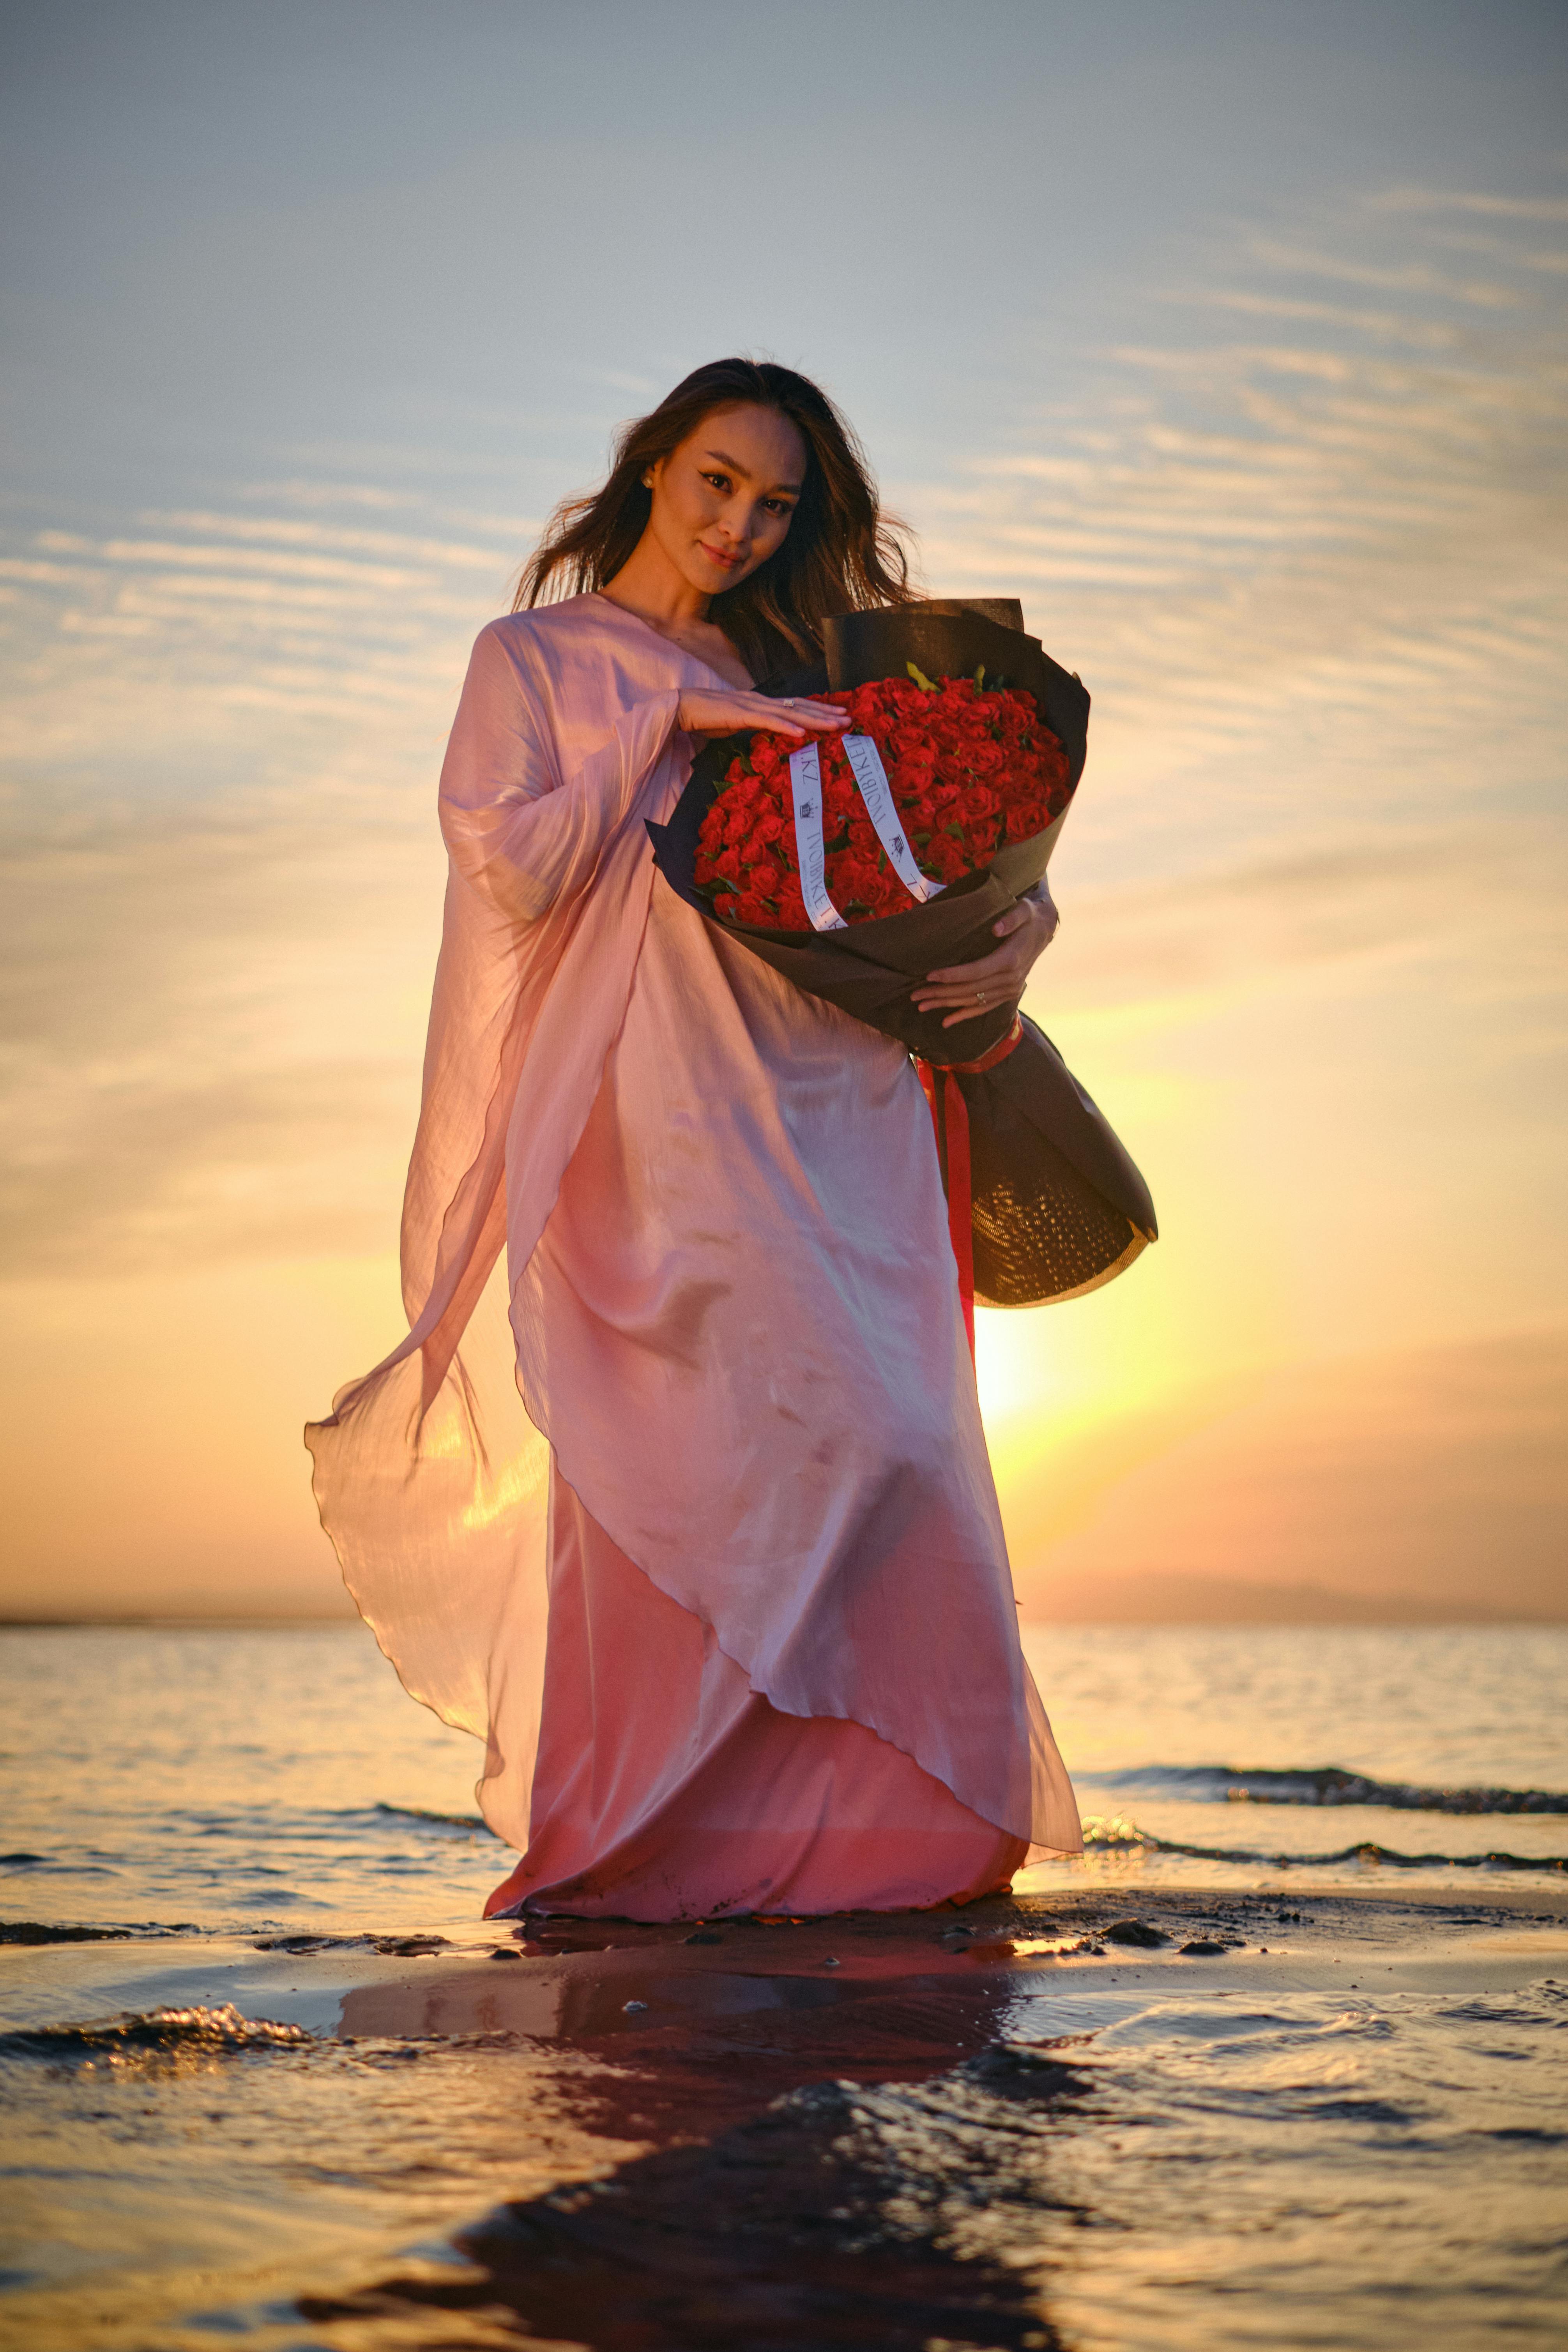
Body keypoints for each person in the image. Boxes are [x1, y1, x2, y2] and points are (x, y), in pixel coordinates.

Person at [306, 357, 1082, 1921]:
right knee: (670, 1456)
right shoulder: (531, 659)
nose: (739, 522)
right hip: (649, 1105)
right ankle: (651, 1851)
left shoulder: (821, 654)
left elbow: (943, 826)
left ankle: (906, 1848)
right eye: (717, 479)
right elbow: (507, 864)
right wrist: (666, 712)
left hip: (846, 1086)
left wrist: (1026, 927)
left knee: (898, 1442)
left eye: (776, 500)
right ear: (655, 464)